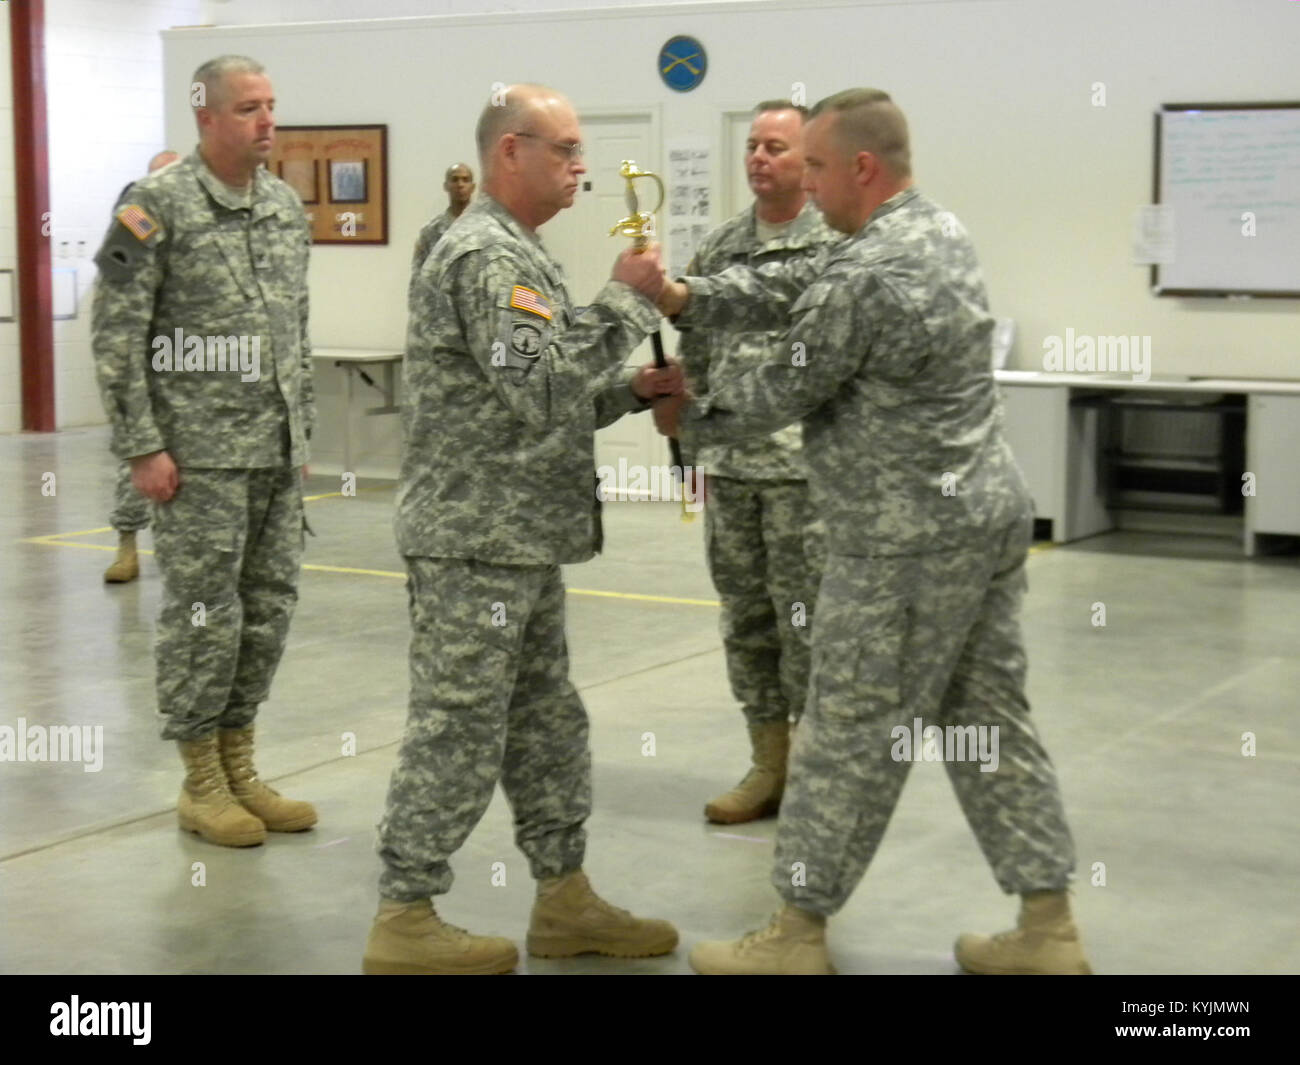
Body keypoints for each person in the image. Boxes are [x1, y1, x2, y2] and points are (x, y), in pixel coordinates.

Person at [654, 88, 1090, 976]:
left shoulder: (863, 274)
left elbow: (781, 386)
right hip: (982, 519)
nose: (805, 185)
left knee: (849, 731)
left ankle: (797, 931)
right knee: (991, 722)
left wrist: (685, 419)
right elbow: (795, 299)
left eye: (814, 165)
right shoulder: (940, 233)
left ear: (861, 167)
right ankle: (1048, 925)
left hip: (902, 542)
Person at [363, 83, 681, 976]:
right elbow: (538, 388)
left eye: (582, 150)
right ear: (511, 151)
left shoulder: (521, 252)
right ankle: (405, 911)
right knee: (458, 726)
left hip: (519, 538)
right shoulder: (486, 256)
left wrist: (629, 389)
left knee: (546, 723)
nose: (581, 165)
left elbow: (539, 391)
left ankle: (563, 896)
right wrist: (627, 306)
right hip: (475, 542)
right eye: (565, 149)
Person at [91, 55, 317, 849]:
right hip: (196, 462)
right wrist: (142, 447)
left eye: (272, 105)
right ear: (208, 118)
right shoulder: (155, 208)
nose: (267, 121)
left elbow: (295, 331)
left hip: (273, 456)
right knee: (203, 617)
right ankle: (201, 780)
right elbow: (115, 336)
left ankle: (241, 763)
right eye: (250, 108)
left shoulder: (285, 207)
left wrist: (301, 436)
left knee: (266, 612)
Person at [675, 100, 837, 825]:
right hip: (735, 468)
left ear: (810, 160)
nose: (759, 159)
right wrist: (691, 437)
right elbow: (699, 355)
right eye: (752, 146)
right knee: (746, 620)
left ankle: (813, 769)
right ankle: (766, 763)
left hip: (806, 473)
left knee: (809, 625)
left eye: (776, 146)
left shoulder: (834, 243)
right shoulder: (720, 247)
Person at [102, 149, 181, 583]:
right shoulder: (137, 211)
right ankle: (127, 544)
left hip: (194, 356)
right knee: (137, 450)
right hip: (149, 353)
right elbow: (116, 279)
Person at [408, 162, 475, 302]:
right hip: (442, 315)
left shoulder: (488, 229)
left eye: (465, 179)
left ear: (473, 187)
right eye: (455, 179)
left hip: (477, 314)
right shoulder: (431, 231)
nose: (460, 184)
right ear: (446, 186)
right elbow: (418, 281)